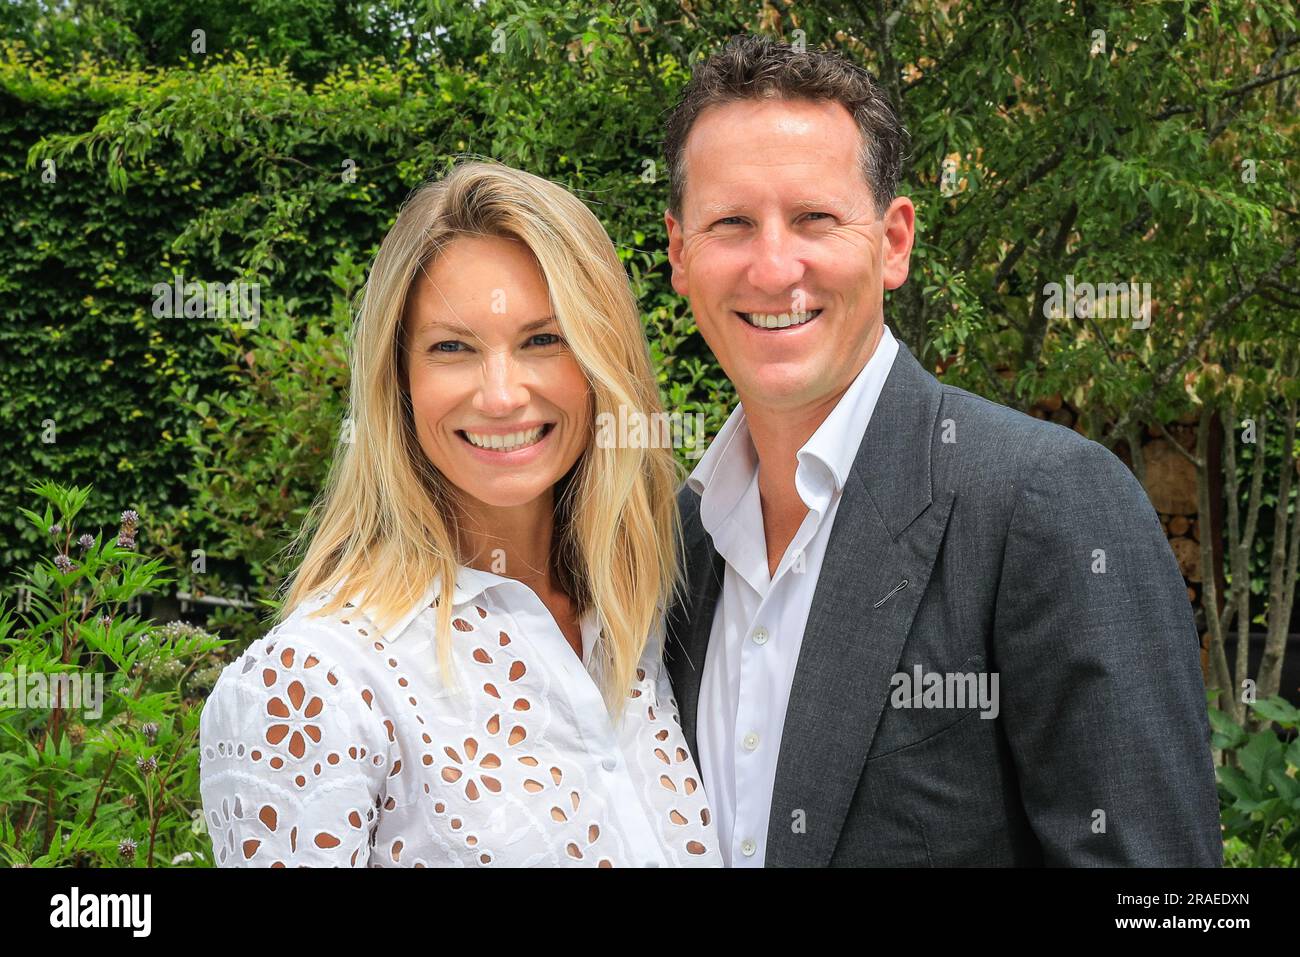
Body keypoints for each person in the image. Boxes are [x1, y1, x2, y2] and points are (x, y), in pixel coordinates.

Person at [660, 34, 1222, 866]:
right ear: (678, 252)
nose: (775, 267)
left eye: (814, 217)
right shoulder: (677, 543)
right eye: (732, 223)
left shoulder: (1048, 502)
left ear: (893, 242)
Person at [199, 159, 721, 867]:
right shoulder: (317, 680)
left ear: (602, 362)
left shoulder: (645, 619)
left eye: (543, 339)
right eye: (453, 348)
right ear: (401, 381)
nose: (502, 395)